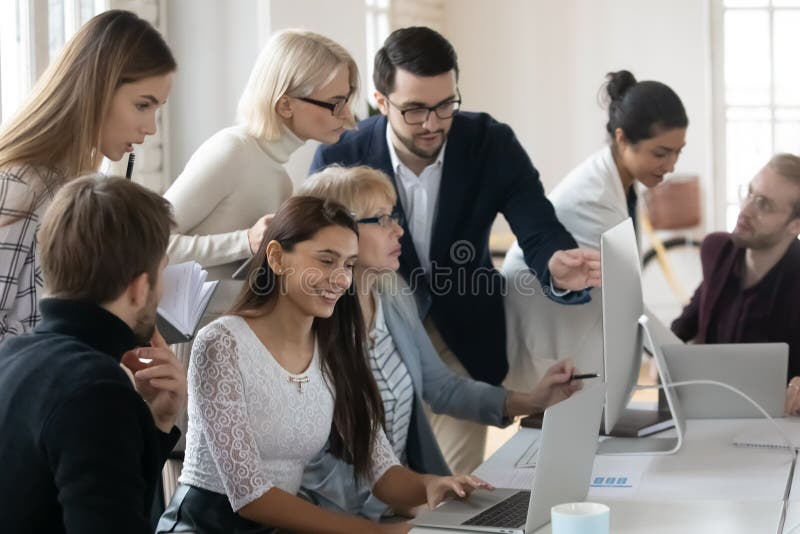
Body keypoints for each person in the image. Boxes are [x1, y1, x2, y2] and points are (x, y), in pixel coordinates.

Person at [310, 26, 600, 475]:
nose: (432, 122)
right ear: (381, 101)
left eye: (446, 105)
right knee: (376, 473)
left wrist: (555, 263)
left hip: (464, 339)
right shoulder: (342, 156)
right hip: (368, 333)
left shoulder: (490, 143)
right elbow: (313, 249)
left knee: (448, 483)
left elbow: (537, 223)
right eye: (415, 109)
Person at [158, 195, 490, 534]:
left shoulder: (337, 347)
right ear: (276, 258)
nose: (341, 279)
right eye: (326, 260)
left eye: (348, 264)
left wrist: (431, 485)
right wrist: (377, 532)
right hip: (204, 526)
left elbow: (381, 469)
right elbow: (249, 495)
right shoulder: (221, 343)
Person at [297, 165, 584, 519]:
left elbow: (442, 387)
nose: (398, 229)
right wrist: (414, 506)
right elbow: (316, 470)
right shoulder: (310, 330)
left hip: (401, 504)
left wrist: (531, 399)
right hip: (347, 518)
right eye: (383, 219)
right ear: (340, 234)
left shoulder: (393, 297)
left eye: (394, 216)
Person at [0, 176, 186, 533]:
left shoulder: (12, 354)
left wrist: (157, 424)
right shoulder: (98, 390)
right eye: (163, 273)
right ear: (139, 287)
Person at [501, 70, 688, 388]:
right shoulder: (594, 197)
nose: (671, 166)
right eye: (661, 153)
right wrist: (685, 360)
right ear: (622, 138)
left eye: (677, 152)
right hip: (538, 328)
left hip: (565, 328)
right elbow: (625, 298)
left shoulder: (622, 182)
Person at [0, 9, 175, 341]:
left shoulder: (73, 190)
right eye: (142, 105)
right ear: (98, 89)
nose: (150, 128)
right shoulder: (19, 188)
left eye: (157, 109)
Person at [164, 29, 359, 319]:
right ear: (285, 104)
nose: (348, 117)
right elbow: (150, 244)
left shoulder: (281, 180)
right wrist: (243, 241)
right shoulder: (233, 150)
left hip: (231, 335)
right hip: (188, 340)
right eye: (336, 103)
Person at [671, 154, 800, 414]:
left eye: (763, 204)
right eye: (749, 193)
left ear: (794, 226)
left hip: (777, 424)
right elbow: (684, 326)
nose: (746, 209)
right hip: (709, 413)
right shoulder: (717, 250)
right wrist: (664, 353)